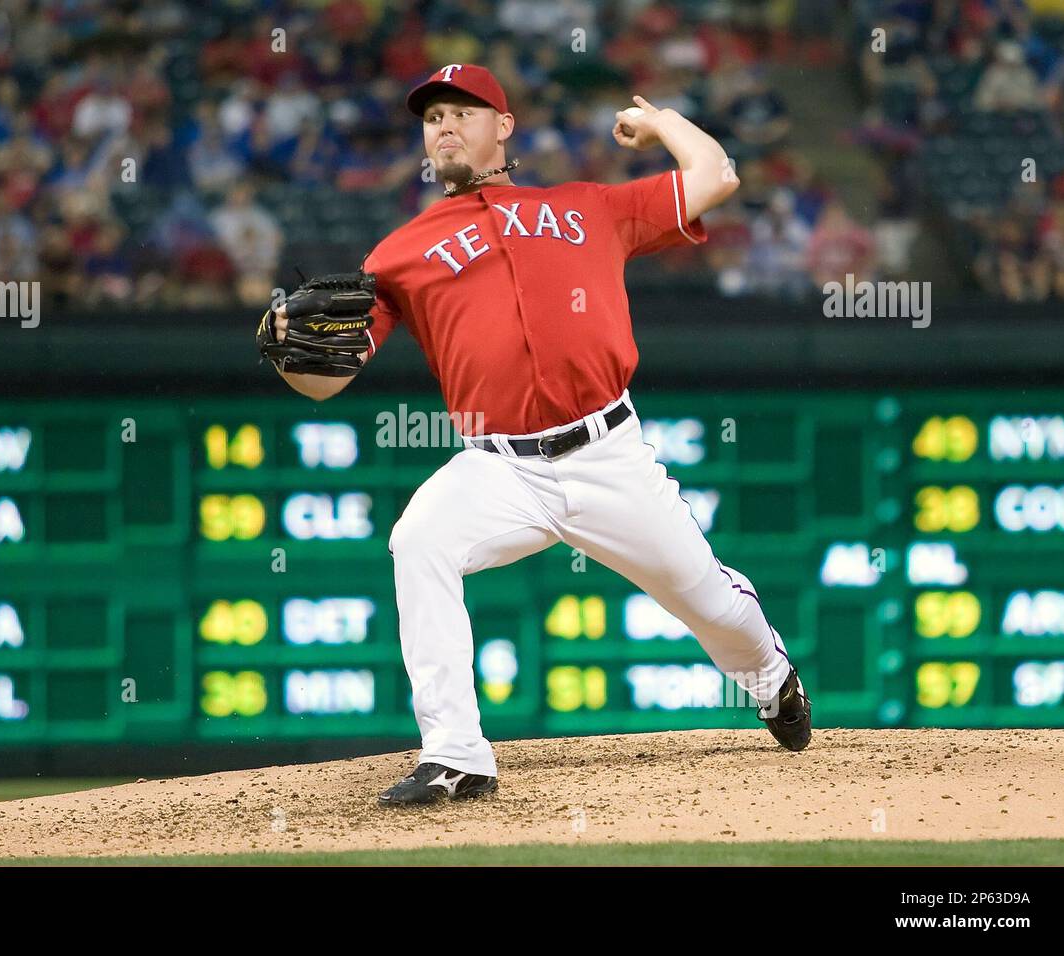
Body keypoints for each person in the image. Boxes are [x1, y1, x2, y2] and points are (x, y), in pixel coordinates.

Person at [267, 64, 811, 806]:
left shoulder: (587, 206)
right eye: (433, 119)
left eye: (463, 111)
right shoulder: (395, 255)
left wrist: (663, 124)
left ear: (504, 126)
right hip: (498, 469)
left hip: (607, 454)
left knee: (710, 605)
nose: (446, 126)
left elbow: (714, 176)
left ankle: (771, 679)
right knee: (418, 539)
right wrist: (285, 352)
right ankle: (457, 755)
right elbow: (331, 378)